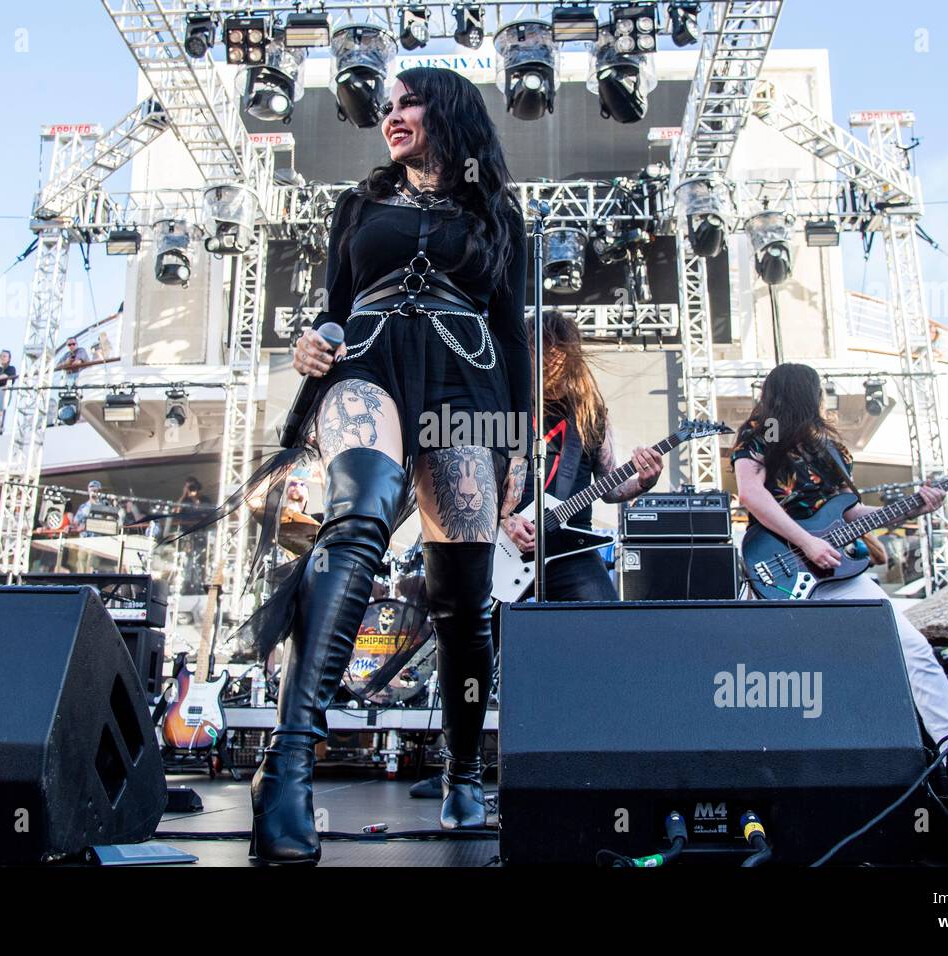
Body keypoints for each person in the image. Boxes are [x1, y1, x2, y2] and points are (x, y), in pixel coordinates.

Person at [241, 68, 530, 865]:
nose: (391, 115)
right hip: (365, 363)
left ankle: (463, 768)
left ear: (448, 110)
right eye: (388, 105)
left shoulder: (499, 213)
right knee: (358, 515)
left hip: (465, 382)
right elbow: (336, 303)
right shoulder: (359, 205)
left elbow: (515, 340)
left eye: (409, 101)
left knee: (462, 599)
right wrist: (310, 339)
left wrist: (514, 451)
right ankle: (289, 763)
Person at [730, 363, 948, 755]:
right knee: (767, 677)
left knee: (914, 651)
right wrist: (806, 543)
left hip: (840, 574)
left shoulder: (830, 447)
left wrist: (913, 508)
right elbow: (752, 495)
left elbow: (849, 513)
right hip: (780, 569)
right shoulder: (757, 435)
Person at [500, 310, 663, 600]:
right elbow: (475, 480)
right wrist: (505, 521)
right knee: (489, 639)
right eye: (542, 349)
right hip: (504, 546)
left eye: (557, 350)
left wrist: (643, 481)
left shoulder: (590, 414)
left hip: (571, 547)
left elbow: (609, 489)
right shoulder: (505, 407)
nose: (550, 359)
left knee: (604, 625)